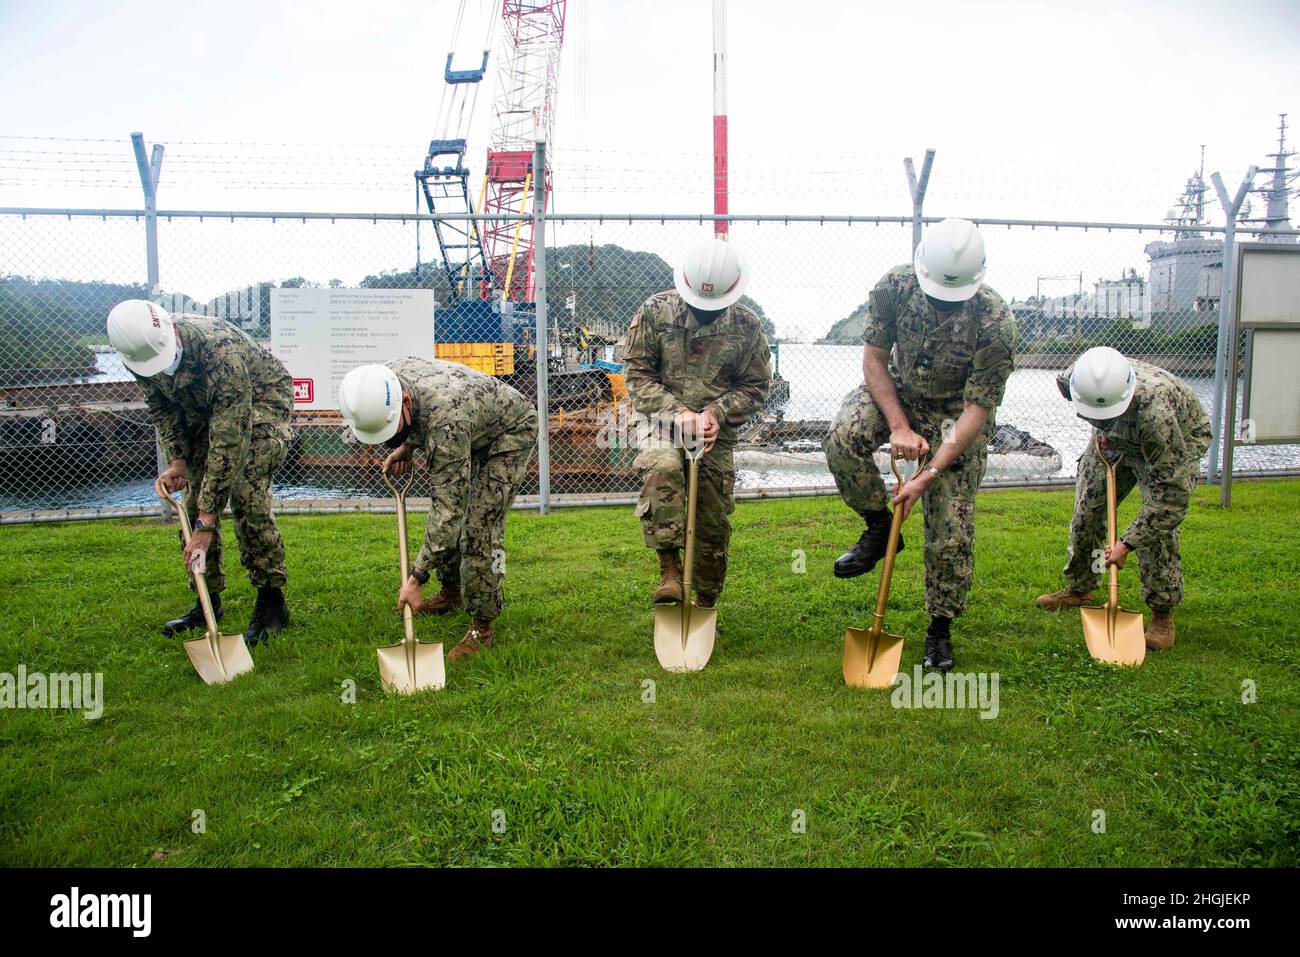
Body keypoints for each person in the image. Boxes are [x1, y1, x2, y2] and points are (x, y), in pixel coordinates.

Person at [823, 219, 1015, 672]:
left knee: (950, 531)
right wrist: (898, 426)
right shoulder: (894, 286)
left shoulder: (996, 323)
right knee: (842, 439)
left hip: (956, 414)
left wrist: (927, 475)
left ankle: (940, 629)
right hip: (900, 394)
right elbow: (873, 360)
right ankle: (878, 526)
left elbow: (975, 410)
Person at [106, 300, 293, 645]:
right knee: (192, 500)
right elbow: (162, 408)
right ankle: (207, 601)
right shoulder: (136, 350)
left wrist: (208, 523)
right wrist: (177, 461)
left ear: (169, 331)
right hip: (201, 411)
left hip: (261, 405)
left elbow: (229, 439)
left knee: (246, 491)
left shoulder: (218, 352)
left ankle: (271, 600)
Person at [337, 358, 537, 661]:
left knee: (477, 528)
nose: (391, 440)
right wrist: (407, 443)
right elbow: (419, 412)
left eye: (392, 432)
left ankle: (481, 626)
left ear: (403, 401)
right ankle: (452, 594)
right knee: (451, 517)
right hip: (471, 421)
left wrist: (416, 578)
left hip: (510, 432)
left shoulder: (447, 425)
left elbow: (449, 508)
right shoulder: (386, 379)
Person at [623, 237, 771, 608]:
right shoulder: (655, 312)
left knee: (712, 515)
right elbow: (638, 375)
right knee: (663, 467)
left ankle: (706, 602)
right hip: (660, 420)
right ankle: (670, 571)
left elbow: (755, 386)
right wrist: (679, 414)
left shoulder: (748, 326)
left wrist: (715, 414)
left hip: (712, 429)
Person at [1035, 347, 1212, 650]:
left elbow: (1170, 499)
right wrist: (1105, 427)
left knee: (1157, 533)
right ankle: (1081, 587)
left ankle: (1162, 611)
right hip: (1117, 436)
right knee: (1087, 513)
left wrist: (1126, 544)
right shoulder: (1075, 378)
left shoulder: (1158, 417)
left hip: (1175, 439)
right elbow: (1091, 402)